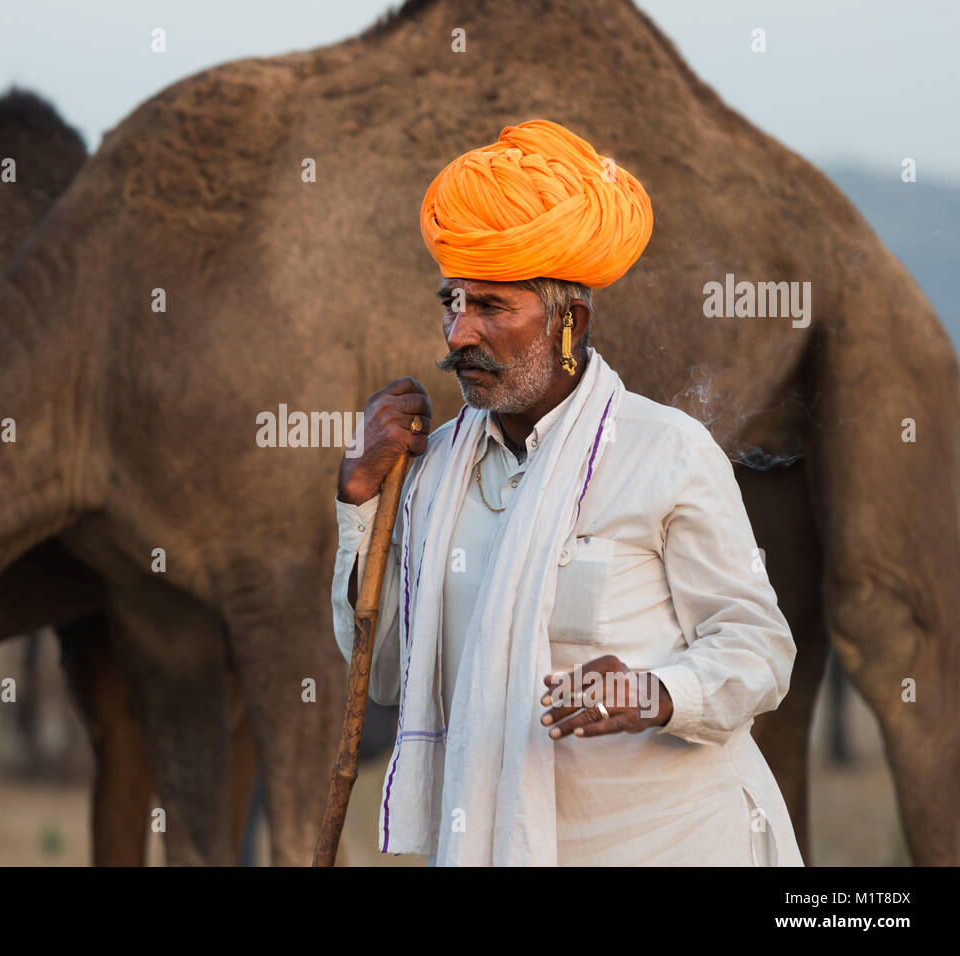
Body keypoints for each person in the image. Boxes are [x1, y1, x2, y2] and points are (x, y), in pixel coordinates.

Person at [331, 119, 803, 866]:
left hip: (674, 844)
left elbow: (759, 648)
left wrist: (653, 691)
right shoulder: (431, 473)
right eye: (452, 303)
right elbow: (383, 669)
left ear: (567, 323)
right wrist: (358, 498)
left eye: (490, 307)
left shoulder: (666, 450)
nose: (459, 334)